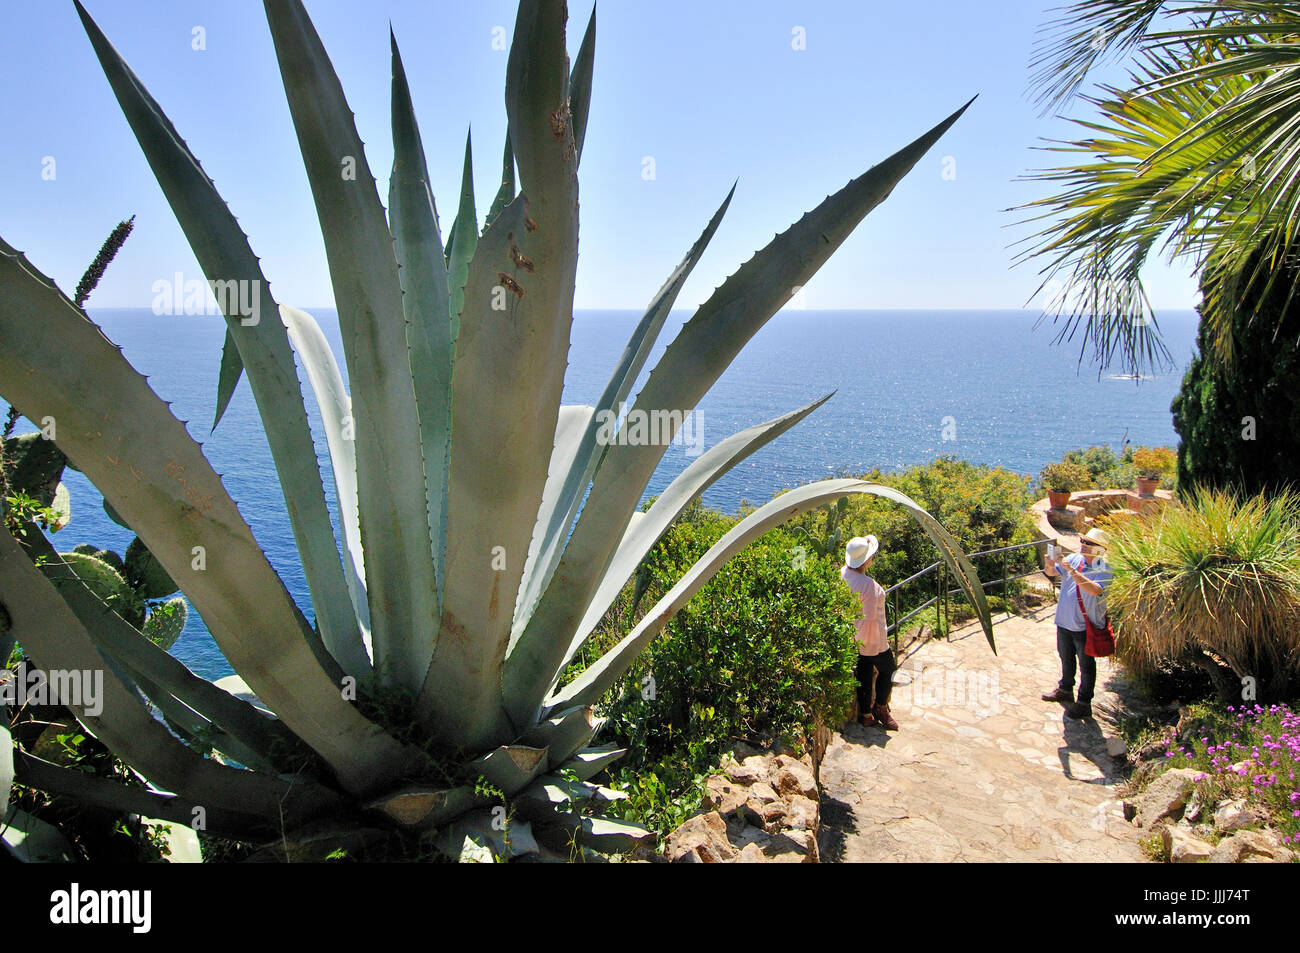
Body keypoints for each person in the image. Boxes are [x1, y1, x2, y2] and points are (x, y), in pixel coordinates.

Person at [1041, 527, 1114, 720]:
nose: (1083, 545)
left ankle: (1083, 703)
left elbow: (1095, 590)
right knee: (1066, 657)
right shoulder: (1073, 559)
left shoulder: (1103, 569)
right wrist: (1049, 564)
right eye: (1083, 541)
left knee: (1086, 666)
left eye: (1089, 543)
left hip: (1084, 627)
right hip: (1064, 622)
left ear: (1100, 549)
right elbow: (1052, 573)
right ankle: (1065, 689)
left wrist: (1071, 571)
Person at [840, 535, 899, 731]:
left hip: (850, 637)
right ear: (867, 561)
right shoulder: (871, 587)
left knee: (863, 674)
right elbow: (873, 620)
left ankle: (866, 715)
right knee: (888, 669)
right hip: (869, 638)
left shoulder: (841, 575)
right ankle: (881, 707)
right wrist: (879, 646)